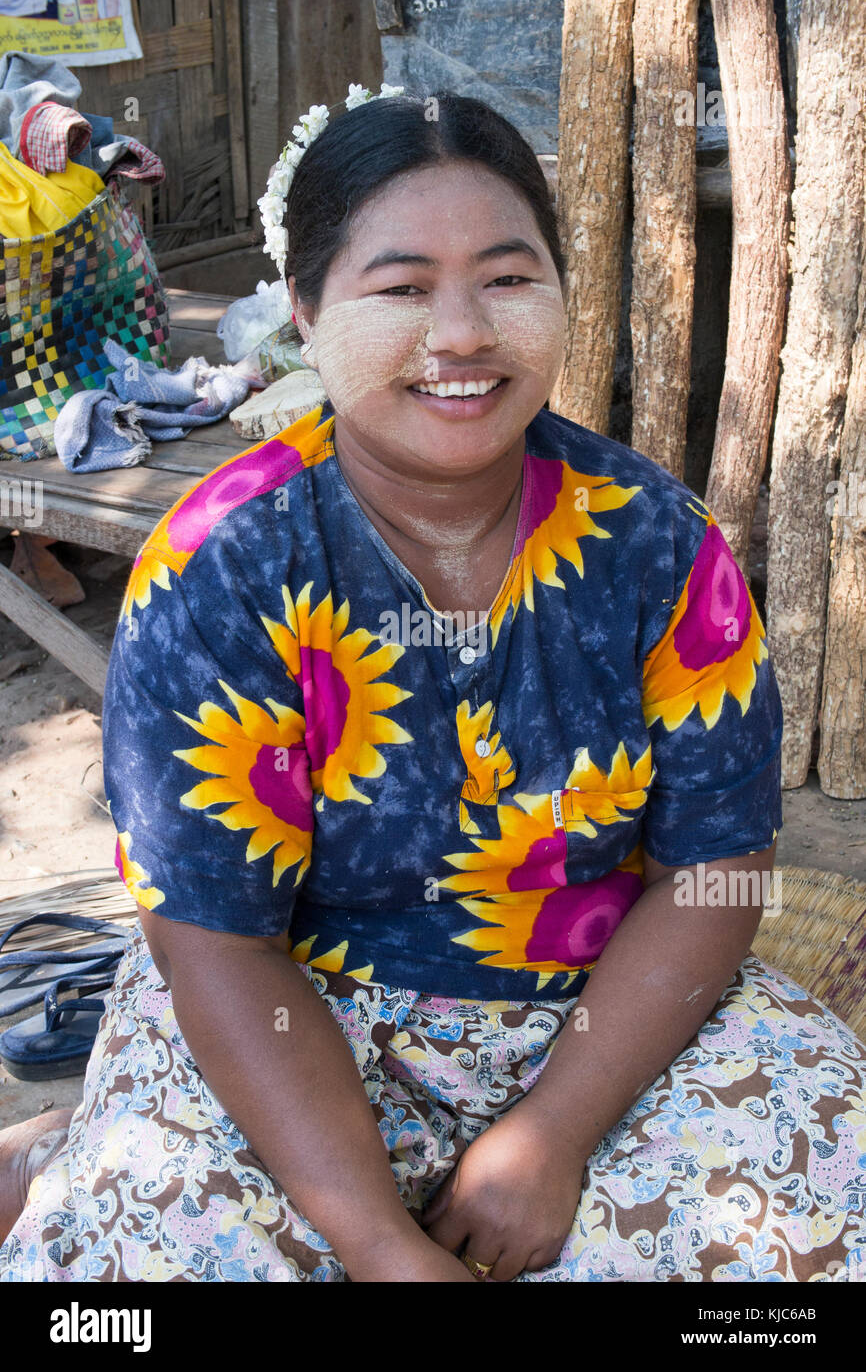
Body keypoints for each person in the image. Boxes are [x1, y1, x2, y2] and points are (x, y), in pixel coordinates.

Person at [1, 88, 864, 1284]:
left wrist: (552, 1135)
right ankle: (64, 1158)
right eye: (399, 289)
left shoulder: (662, 550)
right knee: (117, 1279)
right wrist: (372, 1242)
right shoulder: (219, 568)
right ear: (303, 312)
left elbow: (712, 870)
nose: (459, 333)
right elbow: (215, 942)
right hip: (290, 1017)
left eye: (507, 279)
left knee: (810, 1234)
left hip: (595, 1018)